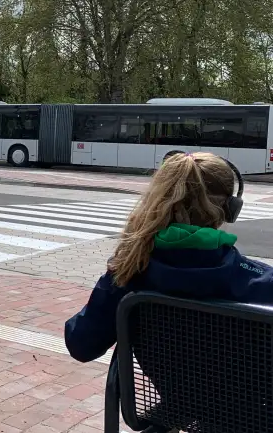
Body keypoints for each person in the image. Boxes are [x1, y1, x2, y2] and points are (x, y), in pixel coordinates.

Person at [64, 151, 273, 363]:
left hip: (168, 397)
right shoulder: (263, 283)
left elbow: (81, 345)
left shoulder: (130, 272)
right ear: (231, 209)